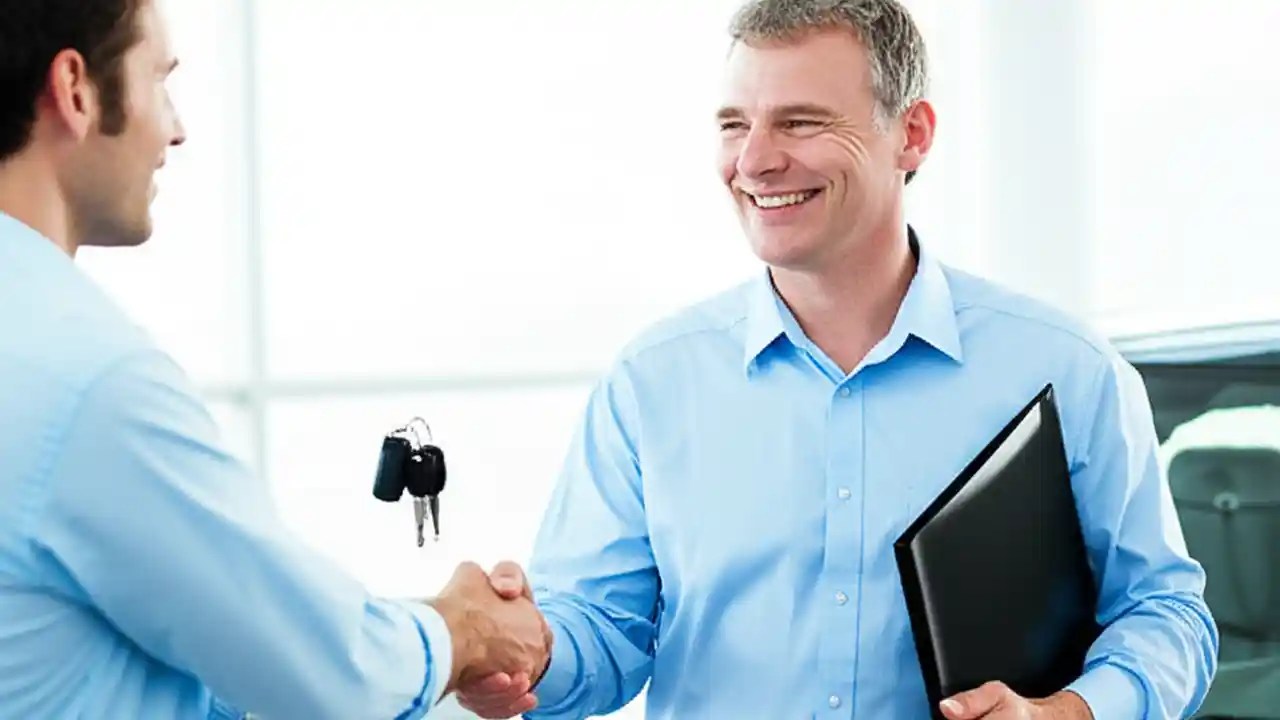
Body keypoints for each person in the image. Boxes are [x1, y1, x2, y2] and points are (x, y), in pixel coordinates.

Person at [455, 0, 1220, 718]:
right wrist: (527, 660)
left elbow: (1166, 613)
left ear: (911, 134)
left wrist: (1071, 711)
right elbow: (602, 632)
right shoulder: (650, 383)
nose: (755, 160)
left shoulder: (1068, 369)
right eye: (734, 124)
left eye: (800, 122)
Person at [0, 1, 550, 718]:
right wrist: (466, 627)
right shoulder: (89, 383)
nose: (176, 127)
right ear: (75, 89)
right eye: (159, 80)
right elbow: (331, 675)